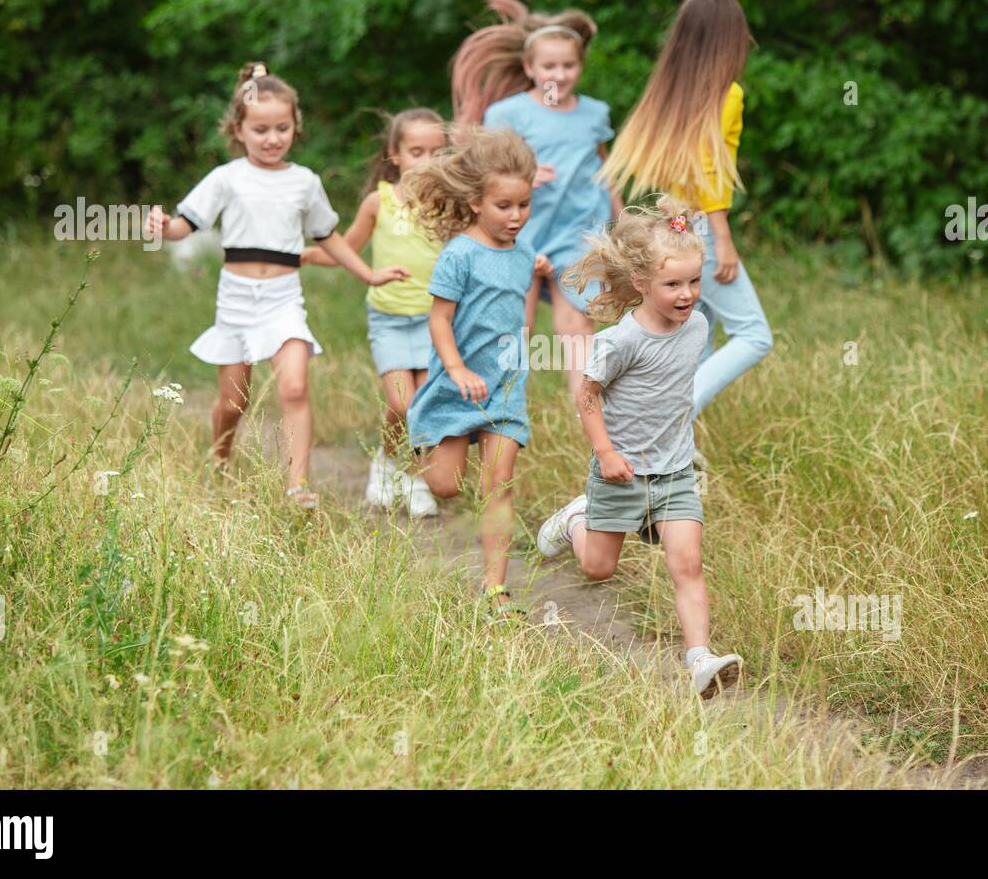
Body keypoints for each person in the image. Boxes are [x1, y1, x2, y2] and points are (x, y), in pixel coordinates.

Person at [539, 197, 743, 697]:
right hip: (620, 472)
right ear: (641, 283)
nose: (687, 294)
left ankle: (699, 659)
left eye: (694, 281)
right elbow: (588, 397)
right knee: (598, 569)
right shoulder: (619, 342)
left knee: (687, 563)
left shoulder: (697, 327)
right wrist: (606, 454)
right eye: (673, 284)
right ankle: (576, 520)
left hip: (674, 473)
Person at [146, 61, 338, 508]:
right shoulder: (226, 178)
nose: (273, 138)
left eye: (283, 128)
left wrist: (360, 268)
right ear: (239, 129)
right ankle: (220, 456)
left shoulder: (305, 182)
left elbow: (330, 235)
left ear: (295, 126)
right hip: (236, 301)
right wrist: (163, 226)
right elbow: (185, 226)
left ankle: (298, 486)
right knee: (234, 404)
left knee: (293, 387)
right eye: (261, 129)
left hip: (284, 299)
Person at [598, 0, 773, 426]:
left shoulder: (672, 92)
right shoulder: (726, 94)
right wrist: (723, 236)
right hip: (702, 228)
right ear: (730, 38)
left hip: (678, 222)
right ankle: (673, 411)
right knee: (754, 335)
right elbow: (710, 169)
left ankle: (677, 458)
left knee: (699, 338)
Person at [400, 128, 552, 621]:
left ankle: (496, 590)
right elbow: (439, 320)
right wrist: (459, 368)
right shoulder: (460, 254)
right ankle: (421, 450)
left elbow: (519, 316)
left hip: (506, 387)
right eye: (504, 206)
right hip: (455, 385)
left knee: (498, 485)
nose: (515, 217)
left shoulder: (524, 254)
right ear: (475, 201)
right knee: (445, 485)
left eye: (523, 205)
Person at [452, 0, 622, 400]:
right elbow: (486, 175)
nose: (559, 75)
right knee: (515, 330)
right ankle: (501, 411)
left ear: (580, 66)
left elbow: (605, 171)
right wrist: (524, 173)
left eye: (569, 66)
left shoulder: (594, 113)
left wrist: (623, 222)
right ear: (529, 68)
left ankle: (587, 422)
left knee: (579, 328)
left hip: (580, 237)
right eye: (549, 66)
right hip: (520, 235)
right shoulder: (506, 114)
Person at [301, 108, 447, 517]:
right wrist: (308, 255)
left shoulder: (451, 204)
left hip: (437, 321)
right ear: (395, 154)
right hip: (391, 319)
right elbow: (346, 246)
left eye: (438, 151)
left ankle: (417, 477)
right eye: (417, 150)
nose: (428, 160)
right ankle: (385, 461)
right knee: (402, 403)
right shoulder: (378, 201)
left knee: (424, 404)